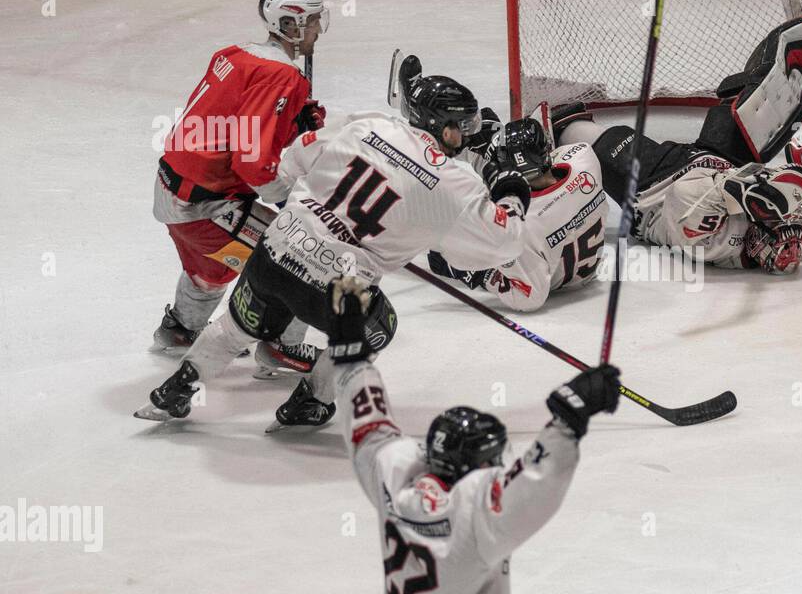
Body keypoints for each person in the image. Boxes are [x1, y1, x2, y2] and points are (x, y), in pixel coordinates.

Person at [135, 56, 528, 428]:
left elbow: (294, 159)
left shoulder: (367, 125)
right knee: (379, 325)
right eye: (463, 126)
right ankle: (313, 400)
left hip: (275, 251)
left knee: (236, 326)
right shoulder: (455, 185)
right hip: (333, 289)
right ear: (444, 129)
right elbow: (503, 244)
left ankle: (174, 389)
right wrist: (510, 188)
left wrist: (317, 210)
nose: (467, 134)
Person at [325, 275, 621, 594]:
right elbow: (531, 485)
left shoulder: (394, 481)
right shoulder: (473, 510)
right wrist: (568, 419)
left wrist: (351, 359)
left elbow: (370, 431)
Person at [557, 17, 802, 275]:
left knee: (575, 132)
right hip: (720, 161)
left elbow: (684, 194)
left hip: (653, 187)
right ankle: (763, 78)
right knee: (741, 108)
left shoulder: (715, 243)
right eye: (789, 221)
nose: (786, 221)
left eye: (776, 223)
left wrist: (750, 189)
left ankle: (554, 132)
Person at [152, 0, 328, 375]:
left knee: (212, 268)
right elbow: (252, 161)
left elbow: (230, 123)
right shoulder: (281, 76)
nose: (320, 29)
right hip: (206, 206)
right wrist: (294, 204)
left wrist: (289, 116)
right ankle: (281, 347)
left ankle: (182, 328)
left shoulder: (233, 54)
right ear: (291, 24)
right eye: (314, 20)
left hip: (172, 190)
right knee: (304, 256)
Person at [426, 115, 608, 310]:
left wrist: (476, 273)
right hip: (581, 267)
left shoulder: (519, 227)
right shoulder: (584, 158)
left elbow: (529, 298)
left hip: (541, 275)